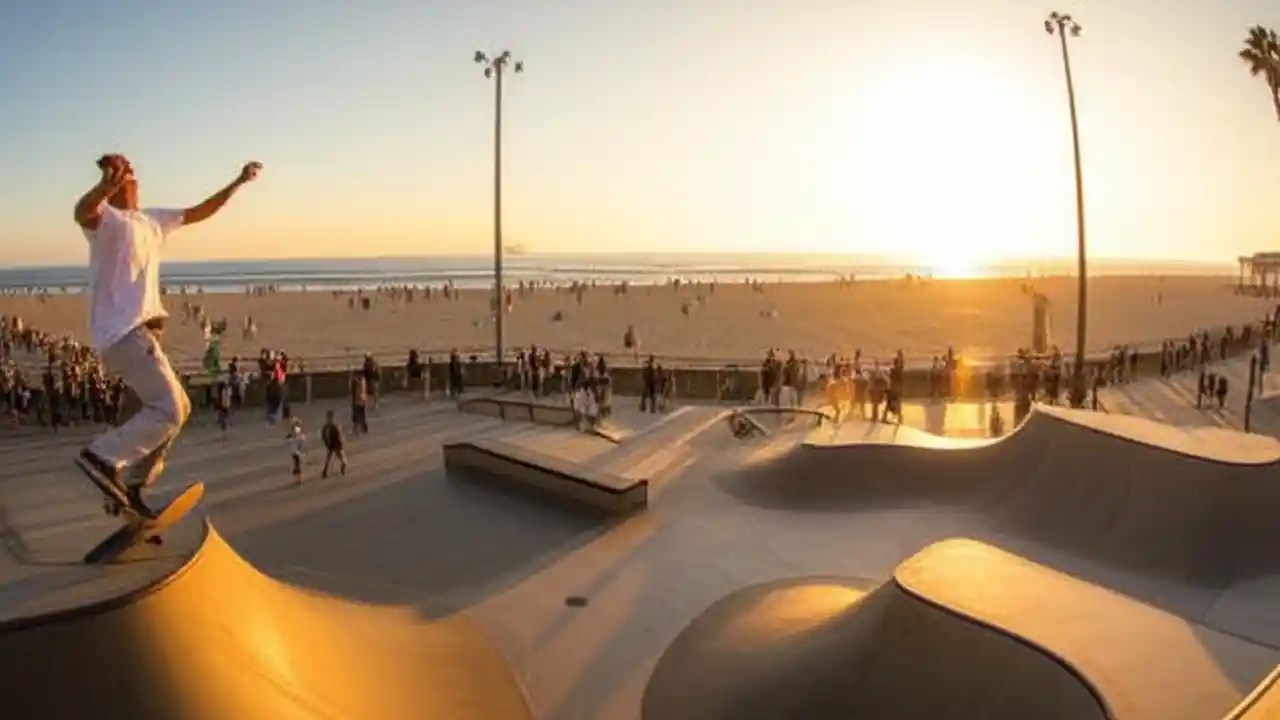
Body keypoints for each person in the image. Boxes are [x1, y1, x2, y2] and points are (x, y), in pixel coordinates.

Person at [72, 153, 260, 513]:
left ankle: (135, 482)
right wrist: (103, 187)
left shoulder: (152, 219)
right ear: (116, 184)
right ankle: (101, 456)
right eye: (126, 175)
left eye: (130, 173)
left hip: (137, 336)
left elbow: (201, 210)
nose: (134, 179)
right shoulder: (108, 221)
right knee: (169, 409)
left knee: (181, 408)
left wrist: (236, 183)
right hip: (125, 332)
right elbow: (82, 212)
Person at [320, 410, 347, 478]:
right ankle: (342, 469)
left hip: (331, 445)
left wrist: (327, 443)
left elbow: (323, 436)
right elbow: (339, 436)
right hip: (336, 445)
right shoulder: (335, 426)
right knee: (342, 460)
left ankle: (325, 471)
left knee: (328, 459)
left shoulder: (326, 426)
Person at [286, 418, 306, 485]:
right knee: (298, 465)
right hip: (296, 452)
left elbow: (299, 439)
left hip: (295, 452)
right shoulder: (295, 431)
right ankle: (299, 479)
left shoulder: (295, 431)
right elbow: (300, 438)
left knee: (297, 464)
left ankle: (298, 479)